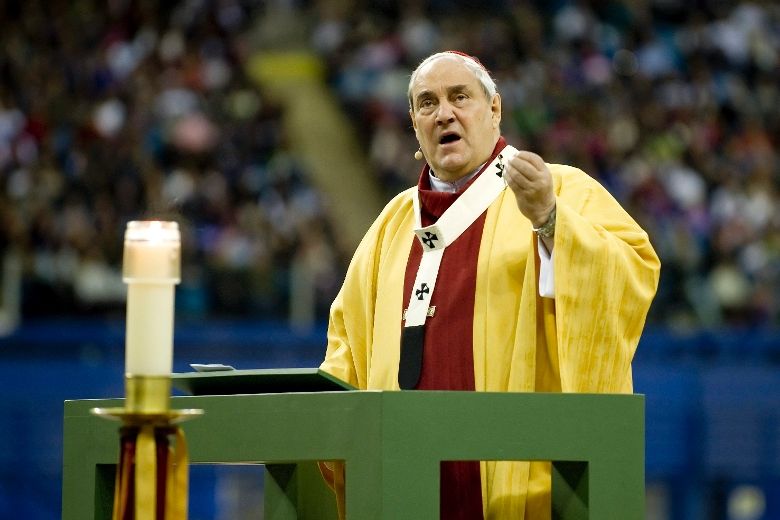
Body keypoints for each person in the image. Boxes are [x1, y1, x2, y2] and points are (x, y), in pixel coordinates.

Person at [319, 51, 660, 519]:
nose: (444, 113)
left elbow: (633, 273)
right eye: (426, 103)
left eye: (460, 97)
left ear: (495, 109)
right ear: (414, 126)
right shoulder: (391, 224)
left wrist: (550, 219)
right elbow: (346, 342)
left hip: (518, 483)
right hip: (400, 482)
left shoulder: (560, 188)